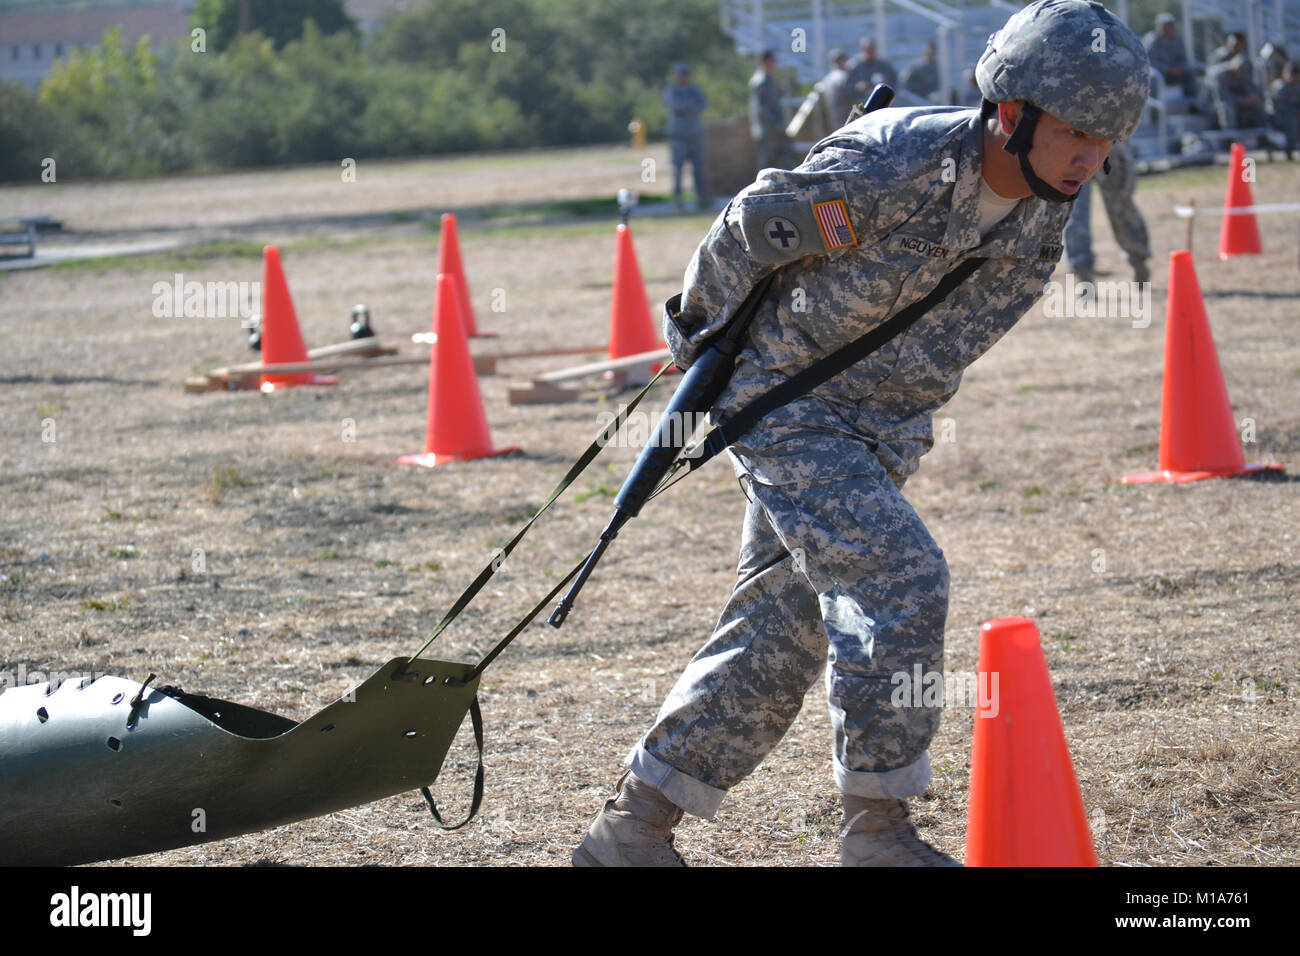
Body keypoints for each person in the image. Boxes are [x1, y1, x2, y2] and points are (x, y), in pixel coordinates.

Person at [573, 0, 1149, 868]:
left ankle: (632, 832)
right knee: (903, 578)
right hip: (783, 401)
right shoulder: (894, 165)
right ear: (1011, 110)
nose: (1089, 158)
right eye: (1074, 130)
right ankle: (878, 834)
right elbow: (750, 229)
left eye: (1105, 141)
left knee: (786, 622)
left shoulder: (1044, 210)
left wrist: (895, 432)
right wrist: (700, 346)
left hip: (880, 431)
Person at [1064, 140, 1151, 285]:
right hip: (1072, 141)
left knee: (1121, 206)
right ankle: (1082, 273)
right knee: (1074, 211)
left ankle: (1138, 262)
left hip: (1109, 137)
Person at [664, 62, 710, 210]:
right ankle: (678, 199)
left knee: (699, 168)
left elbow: (702, 104)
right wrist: (689, 106)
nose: (683, 77)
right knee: (678, 168)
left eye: (685, 74)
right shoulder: (671, 90)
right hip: (678, 136)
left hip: (695, 135)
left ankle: (701, 198)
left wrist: (687, 107)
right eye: (680, 74)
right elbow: (675, 105)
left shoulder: (694, 90)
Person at [749, 50, 793, 172]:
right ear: (766, 62)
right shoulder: (761, 81)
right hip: (768, 129)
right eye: (772, 61)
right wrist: (777, 124)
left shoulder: (769, 79)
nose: (774, 64)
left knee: (781, 160)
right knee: (767, 164)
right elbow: (762, 108)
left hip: (773, 129)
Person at [1144, 12, 1198, 98]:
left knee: (1190, 72)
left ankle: (1191, 103)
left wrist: (1180, 68)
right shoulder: (1151, 41)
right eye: (1166, 25)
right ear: (1159, 27)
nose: (1169, 28)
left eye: (1171, 25)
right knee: (1154, 77)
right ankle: (1154, 106)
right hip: (1159, 72)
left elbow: (1183, 59)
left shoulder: (1178, 40)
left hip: (1175, 72)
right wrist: (1168, 69)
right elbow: (1149, 63)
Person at [1210, 53, 1266, 129]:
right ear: (1234, 65)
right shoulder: (1219, 75)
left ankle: (1261, 133)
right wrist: (1242, 100)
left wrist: (1252, 98)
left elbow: (1249, 89)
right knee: (1227, 107)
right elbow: (1222, 98)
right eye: (1241, 69)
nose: (1242, 72)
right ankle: (1229, 135)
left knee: (1257, 101)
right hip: (1212, 104)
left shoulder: (1243, 73)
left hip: (1235, 101)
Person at [820, 49, 857, 131]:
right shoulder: (844, 77)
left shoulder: (827, 79)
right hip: (847, 116)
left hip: (834, 117)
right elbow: (852, 97)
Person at [1269, 60, 1300, 158]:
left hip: (1293, 115)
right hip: (1277, 117)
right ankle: (1289, 150)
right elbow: (1279, 108)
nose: (1294, 78)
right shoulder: (1279, 86)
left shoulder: (1297, 86)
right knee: (1293, 121)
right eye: (1292, 74)